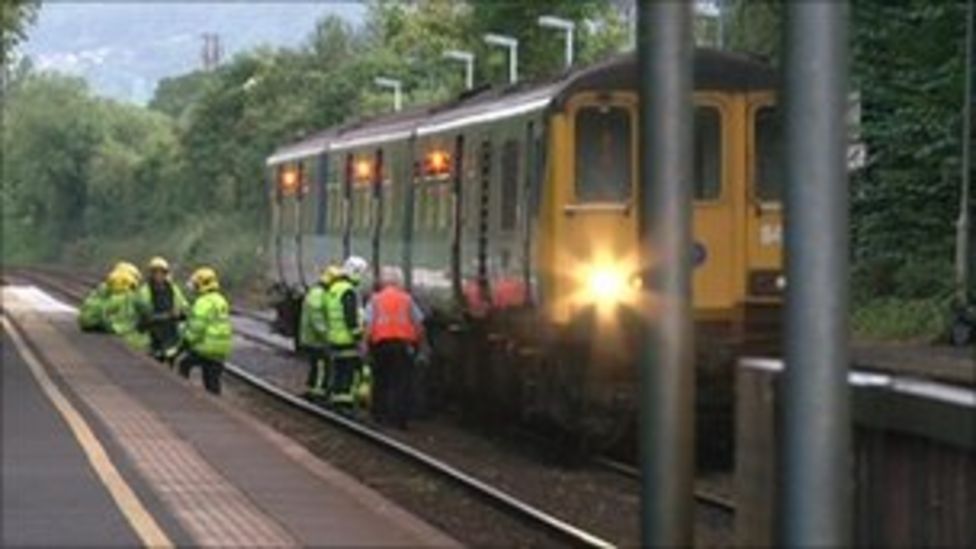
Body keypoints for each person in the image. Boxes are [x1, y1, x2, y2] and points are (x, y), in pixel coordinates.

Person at [365, 268, 424, 429]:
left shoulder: (375, 299)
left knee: (381, 381)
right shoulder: (407, 299)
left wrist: (364, 346)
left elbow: (369, 325)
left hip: (381, 345)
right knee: (401, 382)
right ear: (399, 282)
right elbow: (418, 324)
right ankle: (400, 419)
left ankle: (379, 415)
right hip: (403, 346)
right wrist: (420, 345)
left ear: (382, 282)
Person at [178, 267, 232, 395]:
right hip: (222, 348)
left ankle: (183, 393)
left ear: (201, 284)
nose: (195, 288)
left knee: (184, 364)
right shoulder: (221, 300)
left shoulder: (202, 302)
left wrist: (185, 342)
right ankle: (217, 406)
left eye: (196, 284)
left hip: (206, 347)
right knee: (213, 381)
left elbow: (196, 328)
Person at [325, 257, 367, 412]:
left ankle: (336, 400)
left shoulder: (335, 288)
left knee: (338, 371)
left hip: (334, 337)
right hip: (346, 339)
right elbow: (351, 318)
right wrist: (358, 337)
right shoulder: (348, 291)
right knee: (348, 373)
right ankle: (345, 404)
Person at [137, 256, 189, 364]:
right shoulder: (145, 291)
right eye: (155, 272)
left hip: (171, 333)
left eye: (162, 272)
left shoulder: (173, 289)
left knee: (171, 360)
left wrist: (181, 313)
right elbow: (145, 316)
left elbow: (183, 305)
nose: (159, 275)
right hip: (152, 335)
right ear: (151, 274)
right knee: (154, 362)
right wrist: (168, 316)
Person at [299, 265, 340, 401]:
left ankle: (315, 390)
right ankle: (318, 392)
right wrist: (328, 335)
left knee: (318, 365)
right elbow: (317, 320)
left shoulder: (319, 292)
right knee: (321, 365)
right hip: (316, 339)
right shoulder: (318, 294)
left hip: (314, 338)